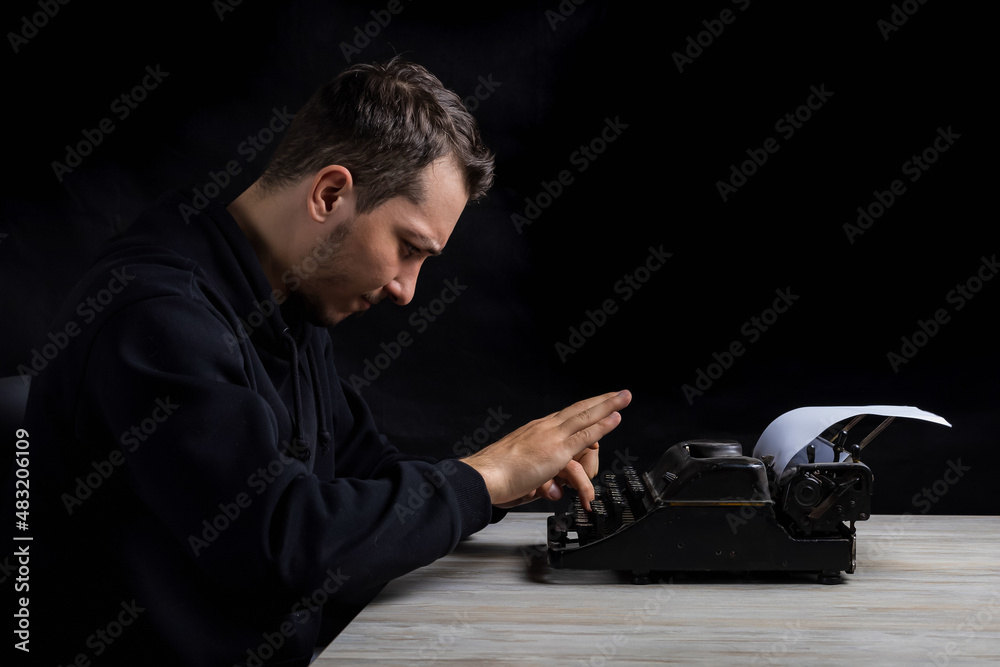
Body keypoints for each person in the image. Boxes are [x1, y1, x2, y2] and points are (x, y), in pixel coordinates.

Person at [12, 58, 631, 666]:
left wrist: (507, 484)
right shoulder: (152, 318)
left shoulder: (284, 301)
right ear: (330, 193)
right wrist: (482, 478)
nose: (406, 289)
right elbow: (286, 542)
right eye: (408, 248)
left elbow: (366, 475)